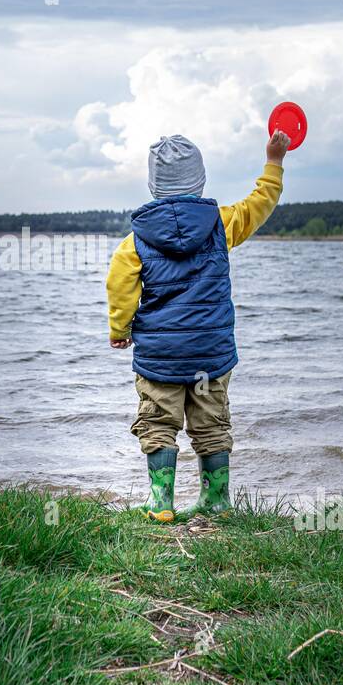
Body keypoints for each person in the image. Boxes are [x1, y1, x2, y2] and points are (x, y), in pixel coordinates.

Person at [106, 129, 290, 520]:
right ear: (200, 180)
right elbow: (261, 204)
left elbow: (120, 287)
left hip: (161, 357)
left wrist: (119, 330)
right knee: (211, 423)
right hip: (211, 353)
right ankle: (217, 500)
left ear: (153, 185)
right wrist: (274, 163)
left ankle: (160, 502)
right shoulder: (221, 225)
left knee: (158, 420)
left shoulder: (134, 241)